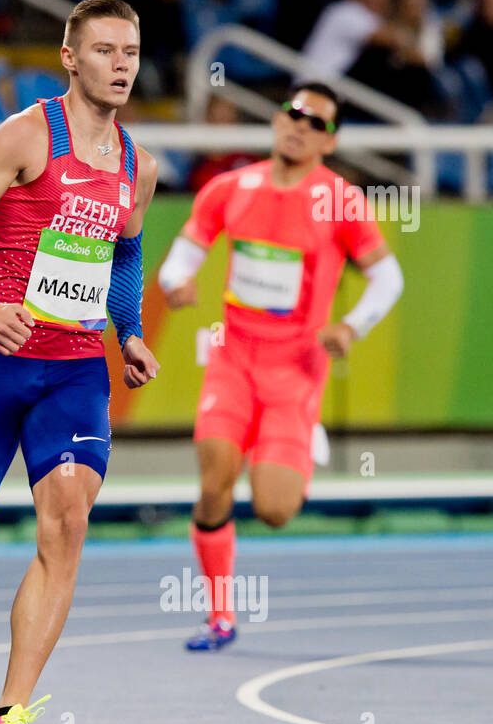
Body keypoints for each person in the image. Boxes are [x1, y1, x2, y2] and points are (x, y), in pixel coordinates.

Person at [0, 0, 159, 724]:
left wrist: (126, 332)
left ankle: (9, 714)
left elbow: (122, 259)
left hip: (74, 369)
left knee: (67, 518)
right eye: (104, 50)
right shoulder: (27, 134)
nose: (121, 64)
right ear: (69, 57)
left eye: (130, 51)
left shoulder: (140, 167)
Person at [157, 82, 404, 651]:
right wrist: (175, 283)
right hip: (232, 360)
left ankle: (298, 439)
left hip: (296, 369)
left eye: (316, 123)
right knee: (214, 481)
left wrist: (350, 326)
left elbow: (388, 278)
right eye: (293, 114)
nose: (300, 126)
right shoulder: (229, 187)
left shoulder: (340, 200)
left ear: (330, 139)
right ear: (275, 119)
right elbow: (183, 256)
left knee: (273, 509)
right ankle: (220, 616)